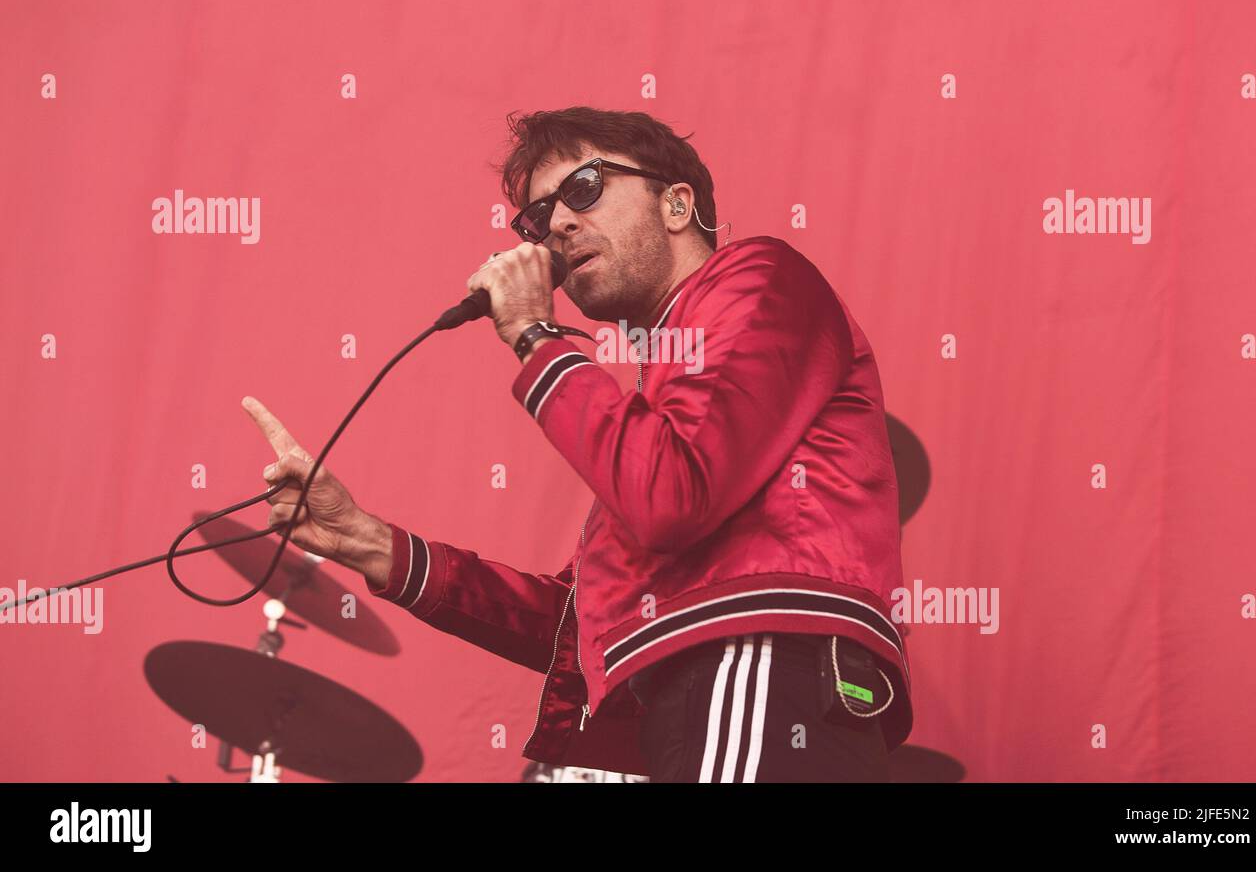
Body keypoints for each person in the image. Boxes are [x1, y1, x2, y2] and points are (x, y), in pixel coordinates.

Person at [240, 106, 911, 782]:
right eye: (535, 219)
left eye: (584, 188)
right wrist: (367, 542)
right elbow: (576, 624)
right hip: (706, 696)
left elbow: (671, 496)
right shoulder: (658, 411)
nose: (556, 225)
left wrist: (536, 337)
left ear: (677, 204)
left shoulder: (763, 278)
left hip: (760, 672)